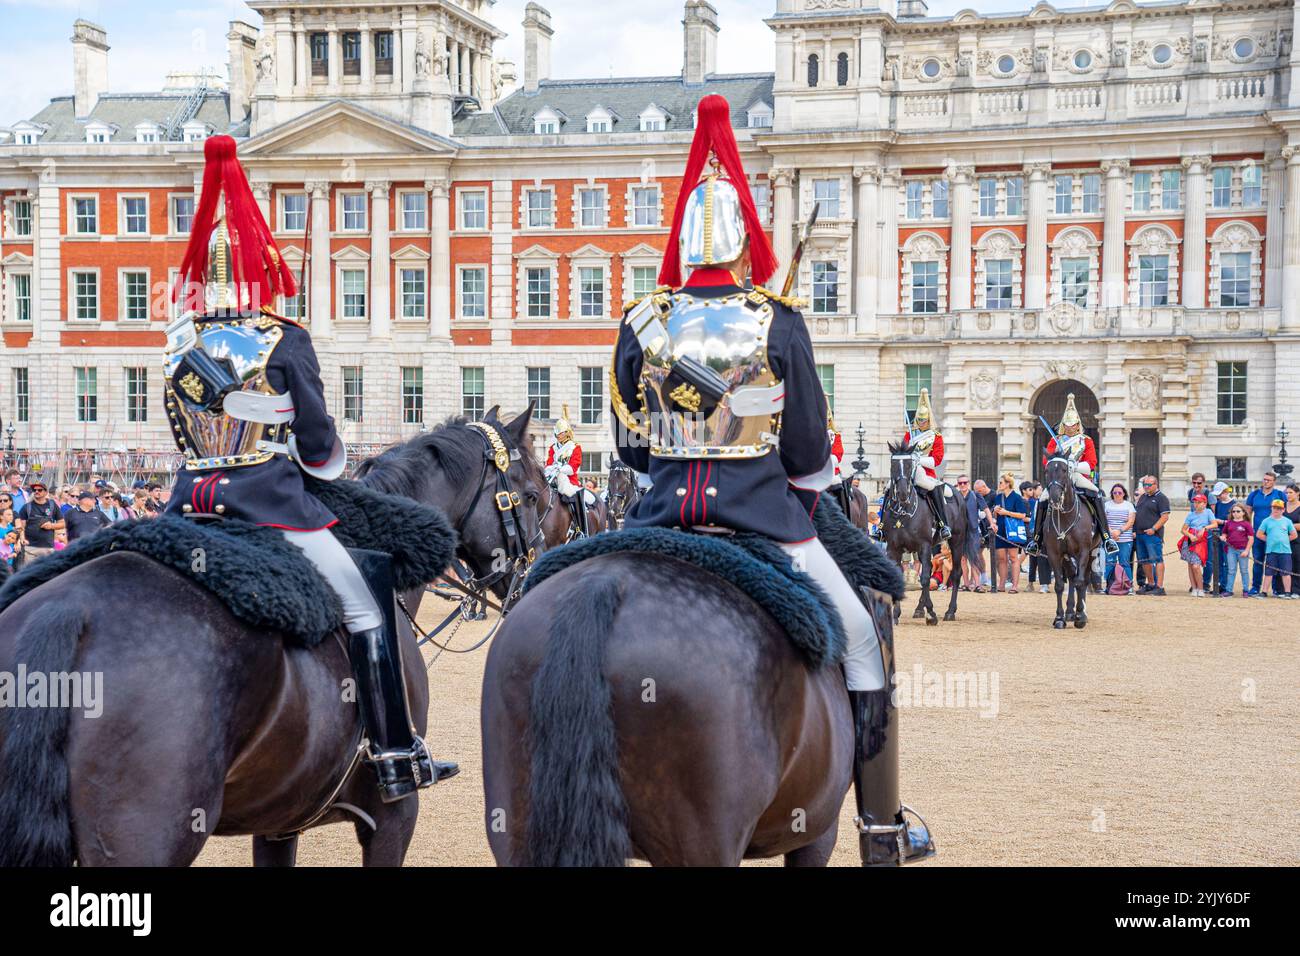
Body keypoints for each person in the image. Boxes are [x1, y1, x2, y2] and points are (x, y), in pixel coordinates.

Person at [609, 94, 930, 866]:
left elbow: (627, 445)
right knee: (861, 638)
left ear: (685, 241)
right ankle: (881, 827)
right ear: (742, 238)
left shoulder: (644, 320)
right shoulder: (775, 318)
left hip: (655, 521)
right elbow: (810, 452)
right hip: (763, 522)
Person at [160, 134, 451, 800]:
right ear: (261, 270)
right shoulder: (281, 337)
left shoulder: (182, 341)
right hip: (271, 507)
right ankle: (395, 753)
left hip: (190, 507)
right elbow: (319, 443)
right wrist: (311, 452)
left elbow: (181, 429)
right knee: (368, 607)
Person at [1026, 393, 1118, 559]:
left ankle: (1106, 537)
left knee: (1096, 494)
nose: (1070, 428)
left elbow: (1091, 463)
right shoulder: (1055, 440)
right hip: (1060, 477)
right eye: (1067, 425)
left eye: (1073, 425)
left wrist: (1074, 465)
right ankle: (1037, 540)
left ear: (1078, 425)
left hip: (1077, 475)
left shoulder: (1086, 441)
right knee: (1042, 500)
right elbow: (1046, 461)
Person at [903, 388, 950, 542]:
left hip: (926, 473)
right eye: (919, 419)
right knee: (891, 487)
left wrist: (918, 460)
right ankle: (883, 525)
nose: (921, 423)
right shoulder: (910, 435)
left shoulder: (935, 437)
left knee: (934, 489)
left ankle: (943, 525)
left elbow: (936, 460)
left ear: (928, 419)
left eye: (923, 420)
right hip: (908, 472)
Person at [544, 405, 588, 537]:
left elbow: (573, 467)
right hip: (553, 478)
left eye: (561, 433)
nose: (558, 435)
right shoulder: (553, 448)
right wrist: (552, 469)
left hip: (569, 481)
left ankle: (581, 529)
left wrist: (560, 469)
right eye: (557, 433)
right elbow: (549, 463)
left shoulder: (575, 447)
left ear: (567, 433)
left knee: (576, 497)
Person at [1244, 471, 1287, 596]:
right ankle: (1255, 587)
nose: (1266, 482)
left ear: (1274, 481)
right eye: (1264, 479)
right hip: (1258, 534)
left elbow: (1285, 512)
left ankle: (1276, 588)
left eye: (1269, 480)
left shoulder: (1279, 495)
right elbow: (1248, 514)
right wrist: (1249, 531)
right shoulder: (1254, 494)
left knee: (1274, 561)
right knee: (1258, 561)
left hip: (1275, 535)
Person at [1133, 474, 1171, 595]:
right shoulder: (1143, 496)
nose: (1146, 486)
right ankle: (1150, 584)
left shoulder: (1161, 498)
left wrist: (1154, 528)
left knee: (1157, 559)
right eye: (1145, 484)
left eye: (1149, 484)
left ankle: (1159, 587)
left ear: (1156, 484)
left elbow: (1165, 517)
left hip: (1153, 535)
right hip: (1140, 534)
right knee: (1144, 560)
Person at [991, 473, 1028, 592]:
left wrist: (1007, 512)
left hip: (1012, 531)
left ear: (1008, 484)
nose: (999, 485)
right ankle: (1001, 585)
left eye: (1001, 482)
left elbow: (1022, 515)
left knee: (1013, 558)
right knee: (1001, 558)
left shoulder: (1017, 497)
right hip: (1000, 530)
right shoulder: (998, 497)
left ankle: (1014, 586)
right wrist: (995, 513)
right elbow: (995, 515)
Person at [14, 480, 64, 567]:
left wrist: (51, 526)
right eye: (34, 490)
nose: (36, 492)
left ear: (46, 492)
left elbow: (62, 523)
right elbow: (21, 527)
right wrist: (21, 538)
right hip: (30, 549)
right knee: (29, 574)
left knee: (48, 575)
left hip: (48, 548)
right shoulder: (27, 507)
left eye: (39, 490)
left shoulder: (52, 505)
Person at [1255, 499, 1297, 598]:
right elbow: (1259, 534)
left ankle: (1287, 592)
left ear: (1283, 510)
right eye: (1274, 508)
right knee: (1268, 573)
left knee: (1286, 572)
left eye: (1279, 508)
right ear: (1271, 508)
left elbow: (1294, 535)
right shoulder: (1266, 521)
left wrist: (1285, 540)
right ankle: (1264, 592)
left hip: (1285, 551)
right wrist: (1269, 540)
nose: (1276, 510)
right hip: (1271, 551)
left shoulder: (1287, 521)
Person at [1103, 483, 1136, 592]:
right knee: (1110, 562)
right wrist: (1112, 532)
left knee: (1124, 562)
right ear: (1112, 494)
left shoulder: (1129, 505)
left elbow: (1131, 521)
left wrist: (1119, 531)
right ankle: (1109, 585)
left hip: (1125, 538)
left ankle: (1129, 586)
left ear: (1124, 494)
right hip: (1111, 539)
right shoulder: (1107, 505)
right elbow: (1104, 520)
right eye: (1115, 492)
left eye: (1119, 492)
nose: (1117, 494)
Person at [1180, 494, 1214, 597]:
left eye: (1199, 502)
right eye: (1195, 502)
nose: (1196, 504)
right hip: (1190, 540)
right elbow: (1183, 530)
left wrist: (1204, 528)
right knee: (1190, 565)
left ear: (1205, 503)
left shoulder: (1208, 512)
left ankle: (1201, 588)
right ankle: (1194, 588)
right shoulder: (1191, 514)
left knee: (1196, 566)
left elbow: (1214, 524)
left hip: (1201, 541)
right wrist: (1190, 535)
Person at [1207, 481, 1237, 595]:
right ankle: (1218, 584)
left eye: (1220, 494)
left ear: (1226, 492)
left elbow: (1236, 521)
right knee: (1217, 561)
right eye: (1217, 495)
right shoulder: (1218, 504)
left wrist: (1223, 521)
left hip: (1228, 537)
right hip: (1217, 535)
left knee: (1227, 562)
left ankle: (1226, 585)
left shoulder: (1234, 505)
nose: (1218, 497)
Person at [1219, 504, 1254, 597]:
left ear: (1243, 513)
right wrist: (1223, 537)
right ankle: (1229, 590)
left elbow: (1251, 539)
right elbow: (1224, 533)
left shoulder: (1246, 524)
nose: (1235, 513)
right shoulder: (1229, 523)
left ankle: (1246, 590)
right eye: (1233, 511)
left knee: (1244, 570)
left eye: (1238, 511)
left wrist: (1246, 551)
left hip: (1243, 550)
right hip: (1231, 550)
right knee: (1231, 570)